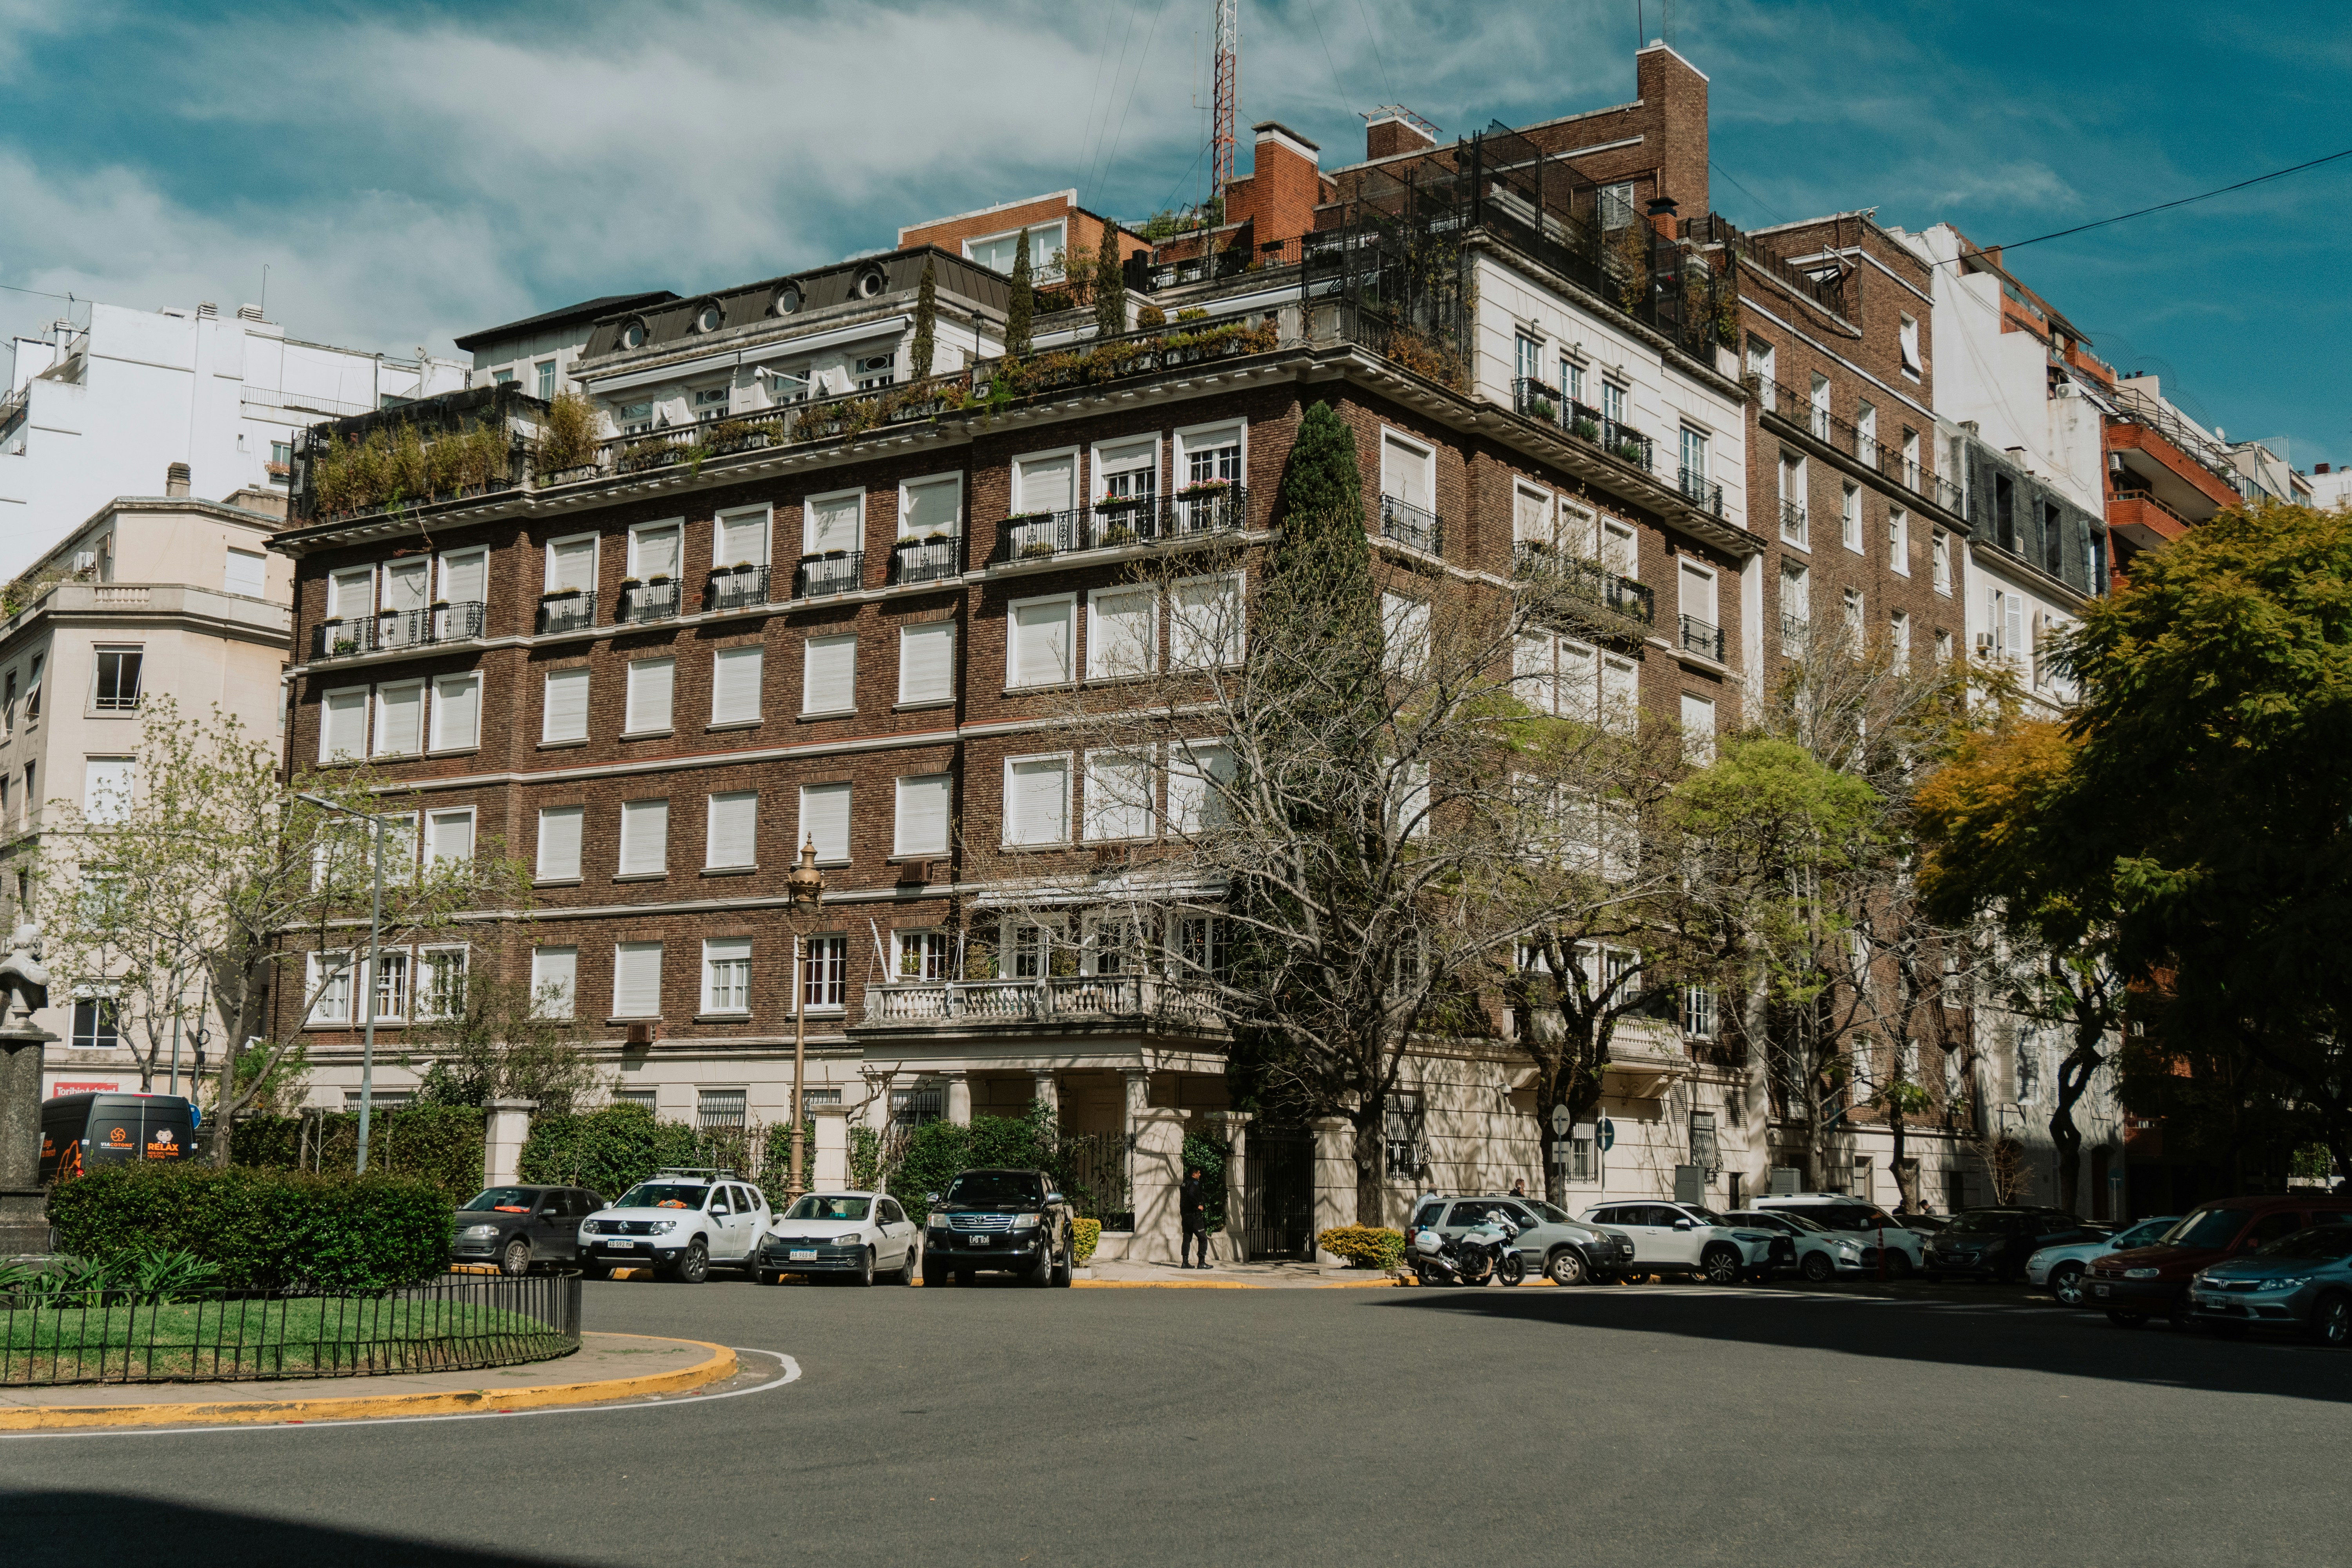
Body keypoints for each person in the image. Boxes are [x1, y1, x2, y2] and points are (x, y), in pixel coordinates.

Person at [1180, 1165, 1209, 1269]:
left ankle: (1185, 1262)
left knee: (1187, 1237)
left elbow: (1185, 1198)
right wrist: (1198, 1206)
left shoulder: (1184, 1183)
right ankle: (1201, 1262)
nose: (1200, 1175)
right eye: (1199, 1173)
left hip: (1185, 1215)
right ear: (1194, 1174)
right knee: (1203, 1238)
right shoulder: (1194, 1183)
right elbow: (1191, 1195)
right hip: (1194, 1215)